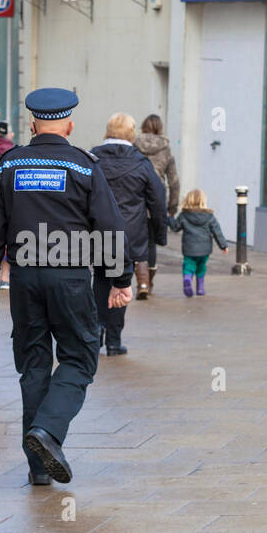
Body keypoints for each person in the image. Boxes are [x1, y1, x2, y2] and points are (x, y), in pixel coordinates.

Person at [0, 87, 132, 486]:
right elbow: (110, 226)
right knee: (79, 358)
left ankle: (39, 467)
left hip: (25, 278)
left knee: (33, 364)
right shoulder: (83, 167)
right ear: (69, 124)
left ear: (31, 124)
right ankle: (48, 431)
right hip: (71, 276)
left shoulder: (9, 166)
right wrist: (119, 279)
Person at [91, 112, 166, 354]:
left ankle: (96, 331)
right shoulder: (140, 163)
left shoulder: (93, 159)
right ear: (131, 133)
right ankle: (113, 340)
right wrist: (159, 233)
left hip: (98, 233)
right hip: (129, 233)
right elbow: (157, 199)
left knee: (100, 280)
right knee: (121, 281)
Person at [135, 114, 180, 294]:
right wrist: (172, 208)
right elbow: (174, 181)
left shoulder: (134, 145)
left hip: (136, 199)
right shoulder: (166, 149)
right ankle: (147, 283)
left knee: (136, 241)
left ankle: (141, 281)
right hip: (157, 199)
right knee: (151, 242)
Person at [169, 189, 228, 297]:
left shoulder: (184, 215)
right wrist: (223, 246)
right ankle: (200, 288)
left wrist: (170, 218)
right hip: (205, 249)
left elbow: (175, 227)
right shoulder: (209, 216)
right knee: (201, 267)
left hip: (189, 248)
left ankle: (187, 279)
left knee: (188, 266)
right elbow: (217, 232)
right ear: (203, 201)